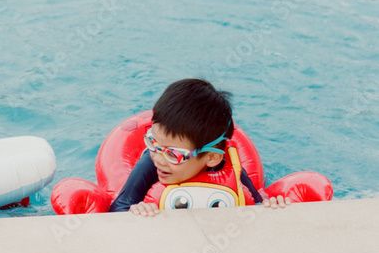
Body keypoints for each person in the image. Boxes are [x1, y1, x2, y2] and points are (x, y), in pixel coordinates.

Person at [108, 79, 290, 214]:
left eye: (173, 154)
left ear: (211, 157)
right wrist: (137, 211)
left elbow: (256, 205)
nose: (159, 158)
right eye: (152, 142)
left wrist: (270, 206)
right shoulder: (150, 162)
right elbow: (119, 208)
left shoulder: (231, 170)